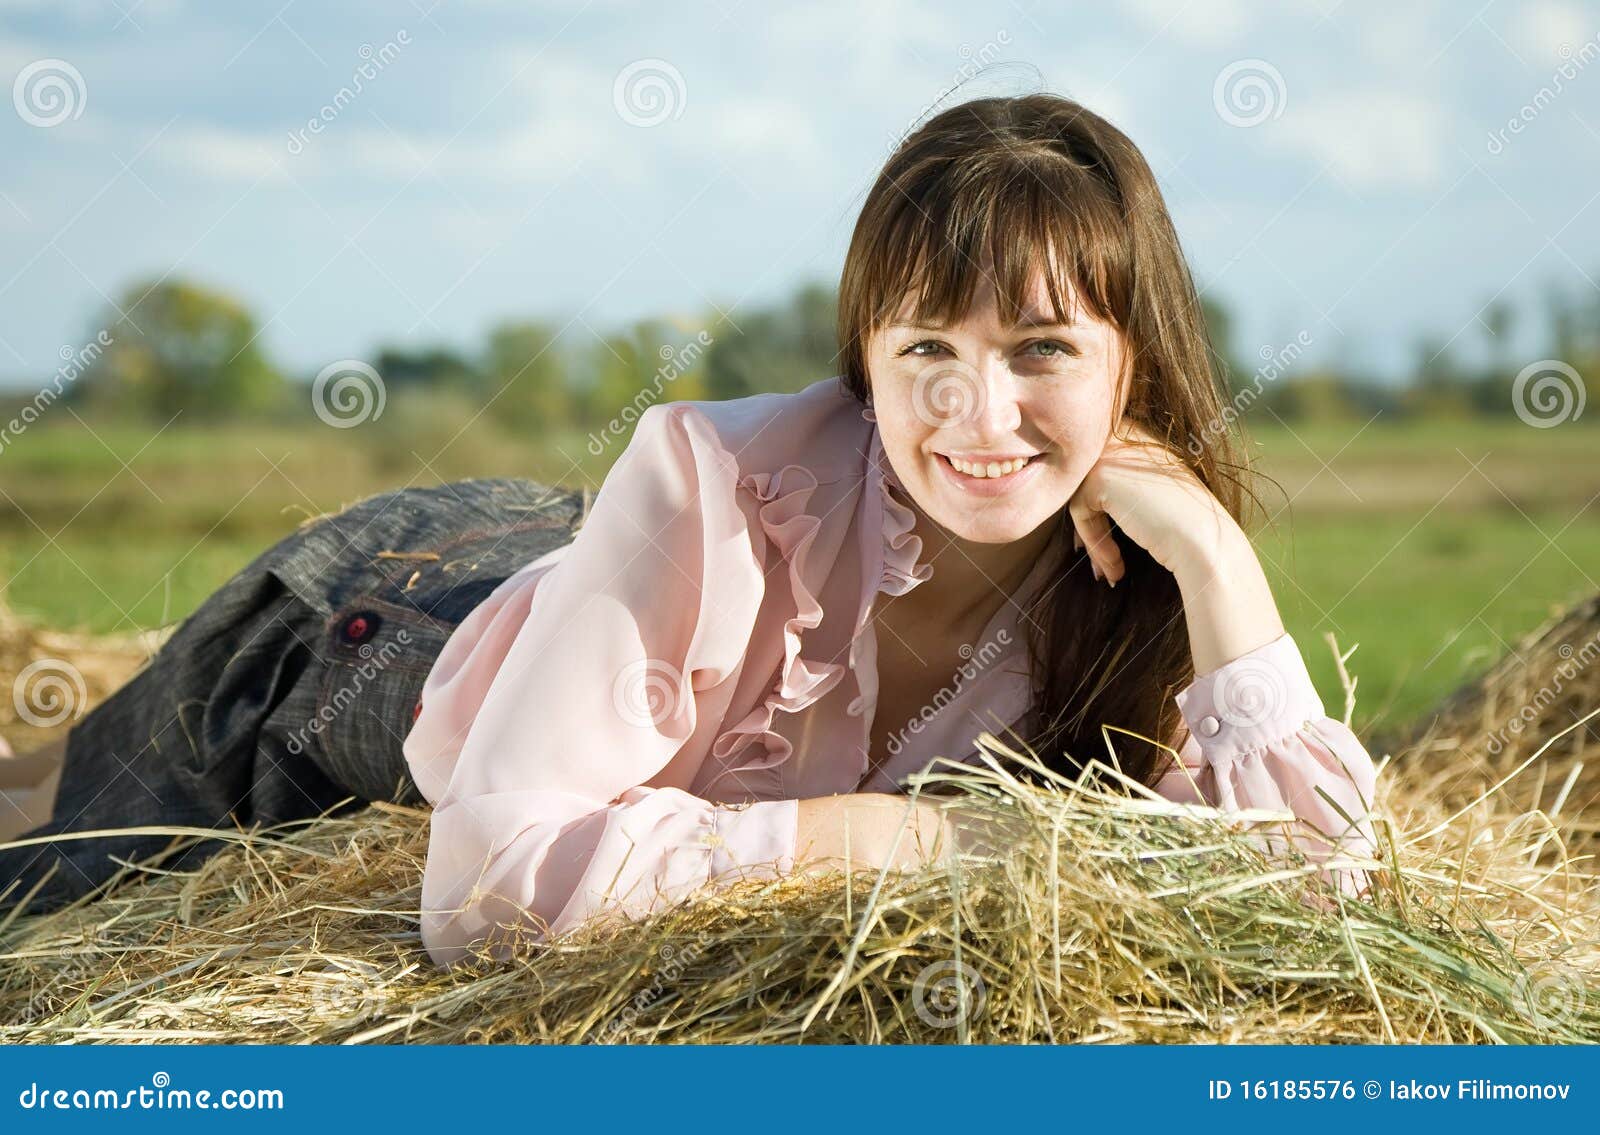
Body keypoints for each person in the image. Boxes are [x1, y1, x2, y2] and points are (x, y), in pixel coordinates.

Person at [0, 93, 1379, 969]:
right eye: (924, 352)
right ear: (864, 355)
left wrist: (1213, 553)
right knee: (36, 859)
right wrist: (912, 843)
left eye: (1040, 349)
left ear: (1136, 359)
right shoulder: (709, 477)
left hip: (592, 578)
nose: (978, 414)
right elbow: (481, 896)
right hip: (384, 626)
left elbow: (1319, 901)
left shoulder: (1135, 579)